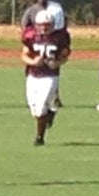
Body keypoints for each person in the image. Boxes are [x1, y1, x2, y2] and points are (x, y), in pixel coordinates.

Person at [21, 9, 71, 145]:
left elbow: (65, 55)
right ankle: (50, 113)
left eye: (47, 24)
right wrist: (33, 62)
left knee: (40, 107)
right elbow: (24, 54)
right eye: (41, 24)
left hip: (50, 76)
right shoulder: (31, 35)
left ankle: (39, 137)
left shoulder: (59, 37)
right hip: (32, 75)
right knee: (34, 109)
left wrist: (57, 63)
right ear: (36, 25)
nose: (44, 27)